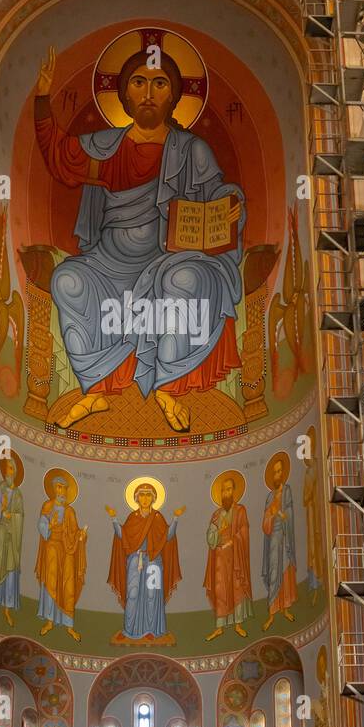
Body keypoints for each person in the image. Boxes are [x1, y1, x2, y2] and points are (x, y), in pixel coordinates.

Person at [34, 40, 245, 433]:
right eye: (138, 82)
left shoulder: (191, 150)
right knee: (67, 279)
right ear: (123, 94)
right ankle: (95, 387)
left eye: (160, 83)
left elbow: (218, 192)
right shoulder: (105, 146)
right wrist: (44, 99)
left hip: (173, 256)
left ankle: (167, 384)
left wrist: (230, 203)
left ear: (176, 96)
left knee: (183, 281)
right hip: (109, 260)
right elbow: (61, 157)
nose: (148, 93)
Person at [107, 480, 184, 643]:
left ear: (154, 498)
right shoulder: (132, 517)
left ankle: (152, 630)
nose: (145, 498)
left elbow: (167, 537)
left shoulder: (157, 517)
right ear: (136, 498)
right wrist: (114, 519)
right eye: (141, 495)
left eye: (148, 495)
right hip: (135, 559)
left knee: (152, 594)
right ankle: (129, 630)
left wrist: (175, 519)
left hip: (154, 561)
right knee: (132, 594)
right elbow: (123, 536)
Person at [35, 471, 87, 641]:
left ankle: (69, 625)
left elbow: (75, 531)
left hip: (68, 552)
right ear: (53, 490)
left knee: (68, 586)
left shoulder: (70, 511)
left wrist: (81, 536)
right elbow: (42, 527)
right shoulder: (47, 506)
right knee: (51, 582)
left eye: (64, 488)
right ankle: (49, 621)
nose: (62, 491)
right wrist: (49, 526)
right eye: (59, 487)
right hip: (52, 548)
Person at [204, 471, 252, 640]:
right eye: (223, 490)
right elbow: (210, 539)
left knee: (236, 587)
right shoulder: (216, 515)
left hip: (235, 556)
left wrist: (233, 541)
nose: (226, 493)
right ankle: (219, 627)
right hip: (219, 559)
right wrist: (219, 531)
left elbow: (244, 531)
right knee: (220, 590)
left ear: (234, 491)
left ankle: (238, 624)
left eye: (229, 490)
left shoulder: (240, 510)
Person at [261, 452, 298, 629]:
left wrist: (283, 515)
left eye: (279, 471)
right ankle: (272, 612)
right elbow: (265, 522)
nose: (277, 475)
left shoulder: (288, 491)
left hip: (285, 537)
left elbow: (290, 512)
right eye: (274, 472)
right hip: (274, 539)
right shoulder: (269, 496)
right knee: (274, 571)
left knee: (286, 572)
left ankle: (285, 608)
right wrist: (271, 514)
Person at [0, 454, 24, 625]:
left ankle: (7, 608)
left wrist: (13, 518)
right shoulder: (1, 488)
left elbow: (20, 516)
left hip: (11, 537)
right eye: (6, 468)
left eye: (11, 468)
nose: (7, 471)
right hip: (1, 533)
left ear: (15, 472)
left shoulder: (17, 495)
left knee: (9, 571)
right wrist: (2, 512)